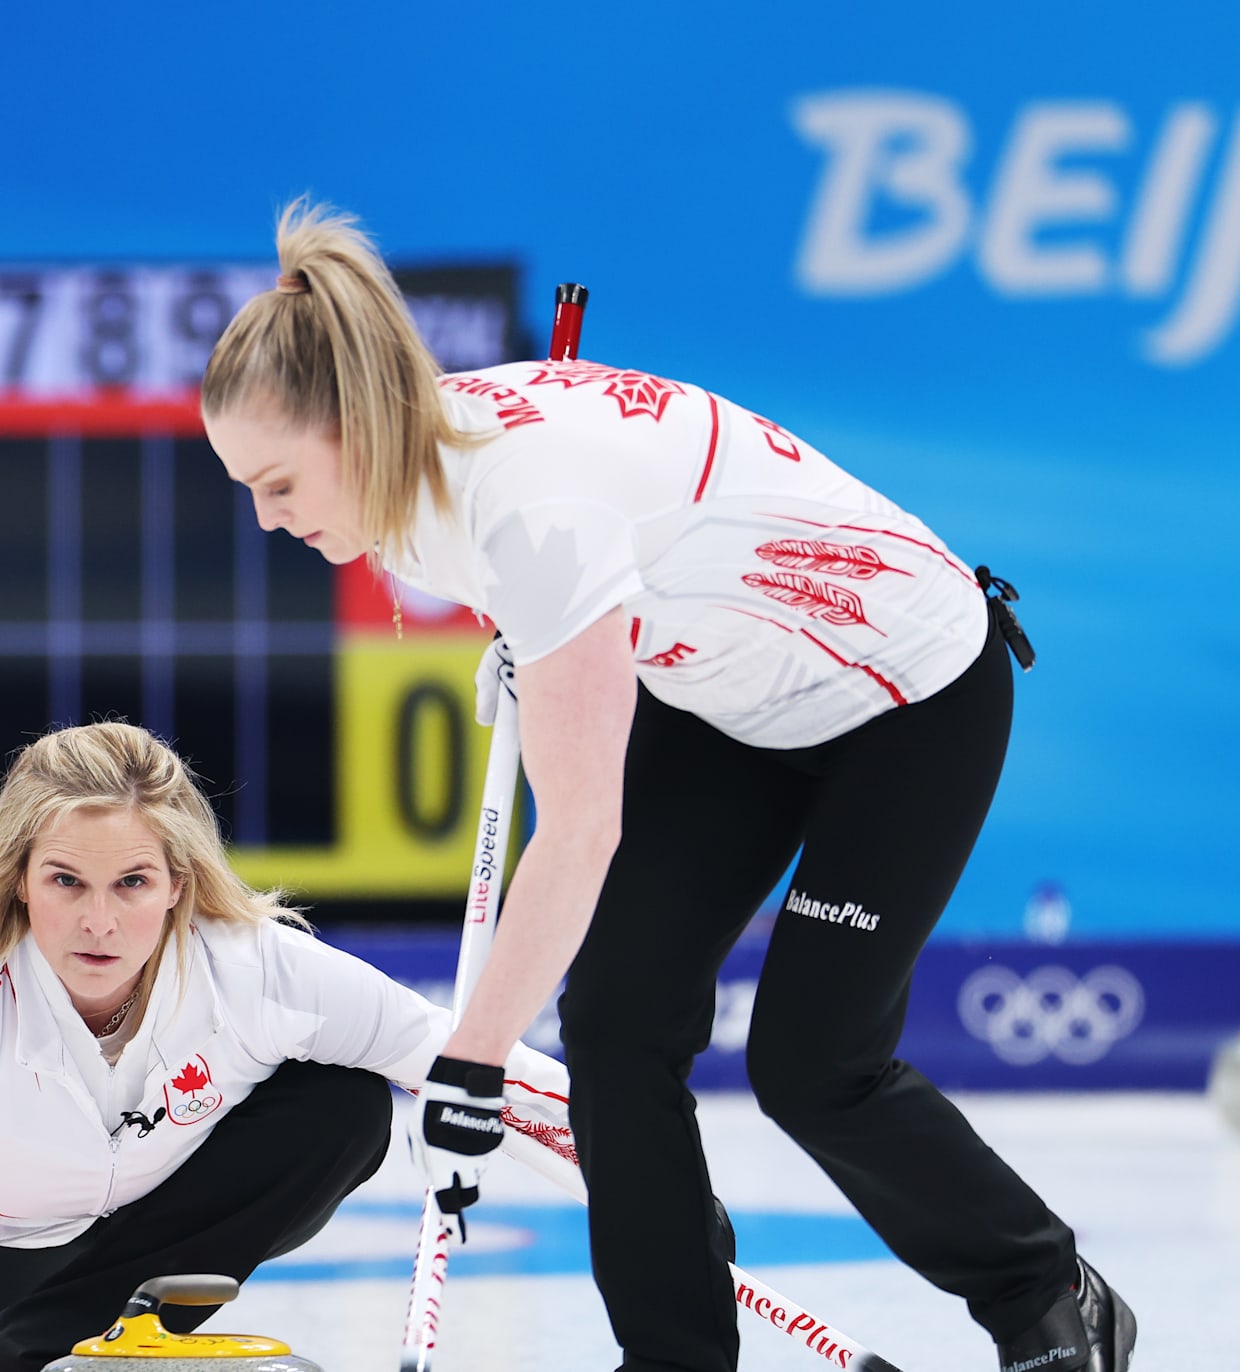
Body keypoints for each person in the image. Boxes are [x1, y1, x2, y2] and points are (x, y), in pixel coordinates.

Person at [198, 201, 1137, 1372]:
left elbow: (581, 826)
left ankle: (1046, 1292)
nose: (266, 516)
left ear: (356, 421)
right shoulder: (420, 466)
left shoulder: (528, 506)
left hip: (906, 692)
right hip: (731, 701)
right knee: (615, 1022)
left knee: (812, 1059)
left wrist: (474, 1055)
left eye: (277, 481)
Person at [0, 722, 559, 1372]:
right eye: (65, 881)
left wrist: (656, 1202)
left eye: (132, 883)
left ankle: (92, 1336)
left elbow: (472, 1066)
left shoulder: (250, 967)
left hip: (142, 1244)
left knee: (347, 1104)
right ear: (19, 879)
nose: (99, 922)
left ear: (178, 886)